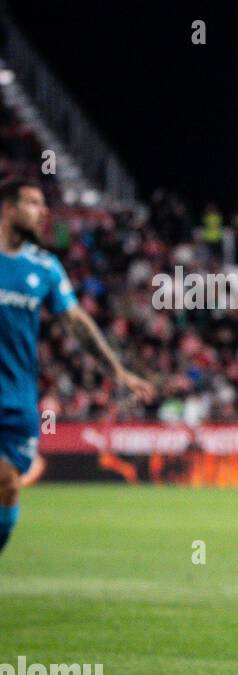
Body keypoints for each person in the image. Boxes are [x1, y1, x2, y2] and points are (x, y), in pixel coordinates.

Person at [0, 179, 153, 559]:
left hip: (17, 402)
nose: (43, 212)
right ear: (8, 208)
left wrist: (116, 370)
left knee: (7, 488)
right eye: (33, 204)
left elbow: (76, 322)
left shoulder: (45, 268)